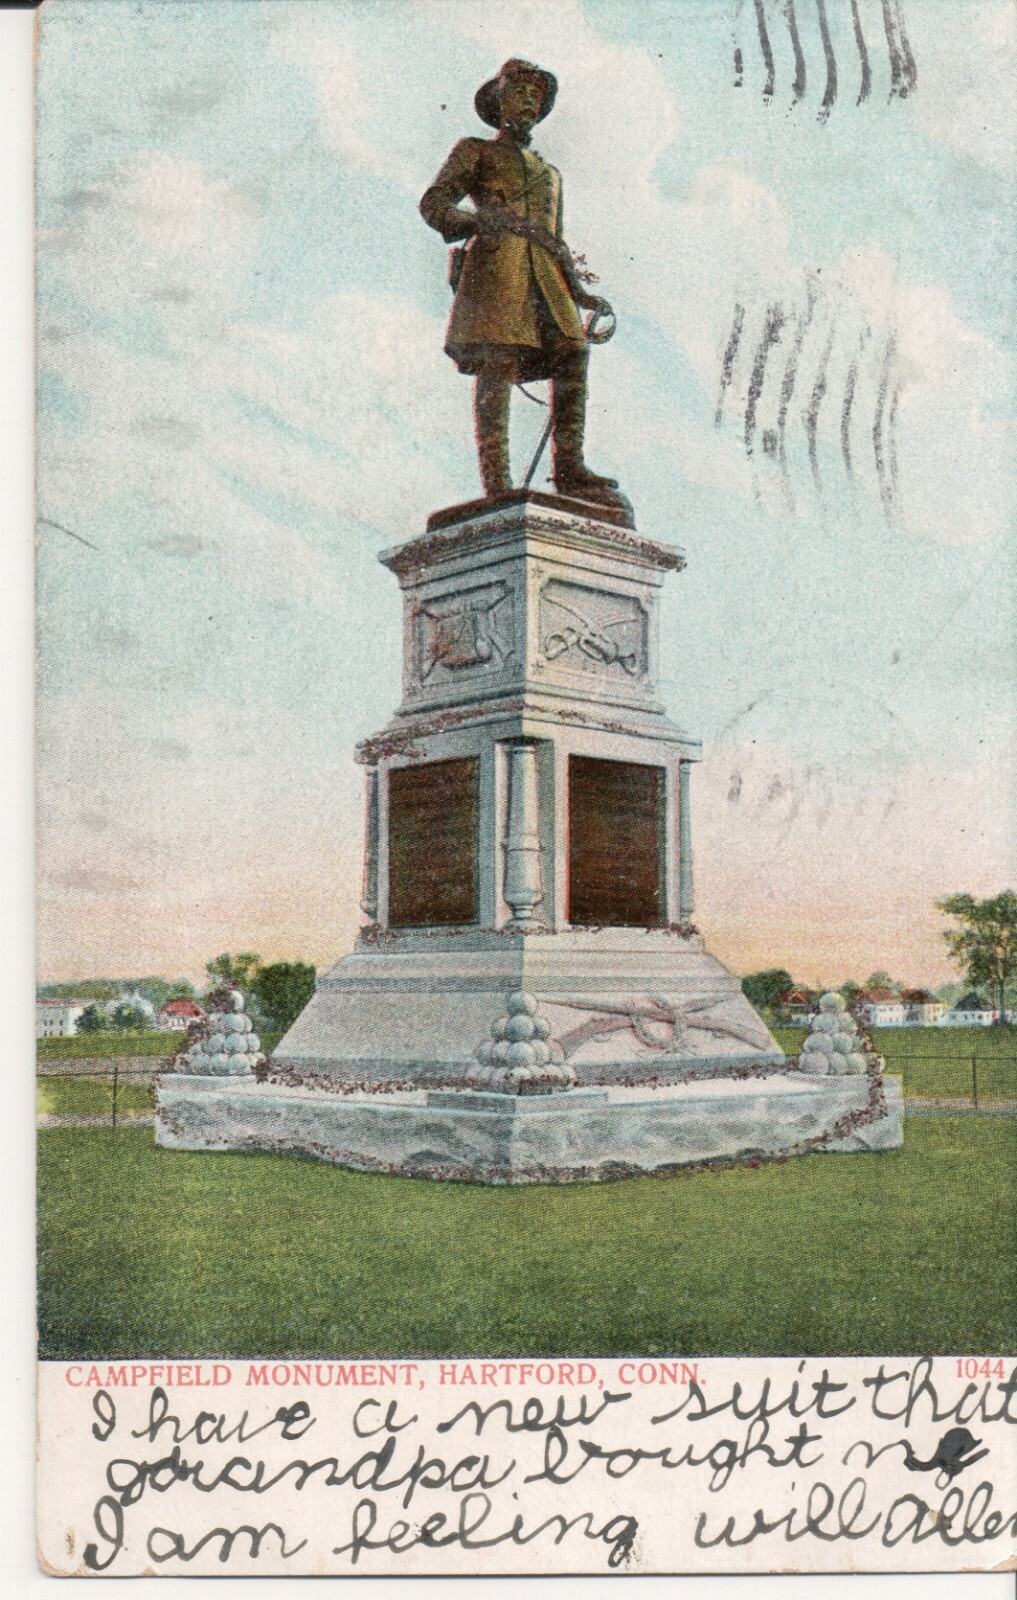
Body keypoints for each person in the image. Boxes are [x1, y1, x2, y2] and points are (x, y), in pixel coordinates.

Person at [420, 58, 627, 509]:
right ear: (498, 101)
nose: (530, 102)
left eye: (536, 96)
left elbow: (556, 238)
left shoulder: (551, 173)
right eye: (519, 93)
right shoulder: (476, 151)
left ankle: (570, 469)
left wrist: (580, 292)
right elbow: (434, 204)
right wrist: (477, 221)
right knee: (500, 361)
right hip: (499, 268)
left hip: (547, 276)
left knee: (573, 352)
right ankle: (498, 483)